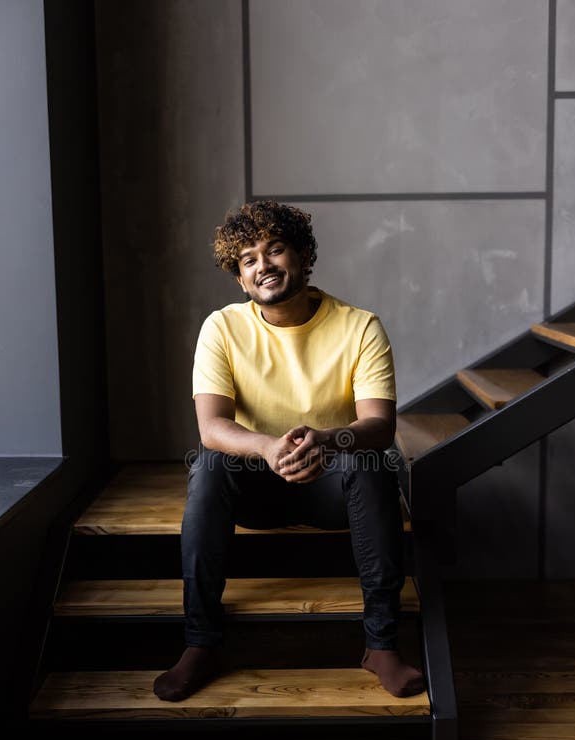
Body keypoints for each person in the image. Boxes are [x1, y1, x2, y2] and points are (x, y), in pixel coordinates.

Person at [153, 200, 425, 702]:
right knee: (209, 465)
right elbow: (211, 426)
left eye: (274, 250)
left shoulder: (360, 326)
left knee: (372, 463)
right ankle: (200, 642)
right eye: (248, 259)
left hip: (334, 488)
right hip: (255, 485)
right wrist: (268, 448)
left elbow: (379, 426)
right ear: (240, 278)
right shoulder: (222, 328)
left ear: (302, 255)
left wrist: (327, 439)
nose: (263, 266)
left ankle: (381, 643)